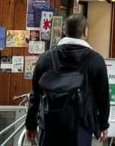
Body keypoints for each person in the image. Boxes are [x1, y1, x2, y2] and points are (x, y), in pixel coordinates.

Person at [25, 14, 109, 146]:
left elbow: (35, 94)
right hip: (81, 127)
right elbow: (102, 96)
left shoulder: (46, 58)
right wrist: (103, 124)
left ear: (64, 30)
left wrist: (30, 124)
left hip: (49, 125)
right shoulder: (96, 60)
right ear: (86, 32)